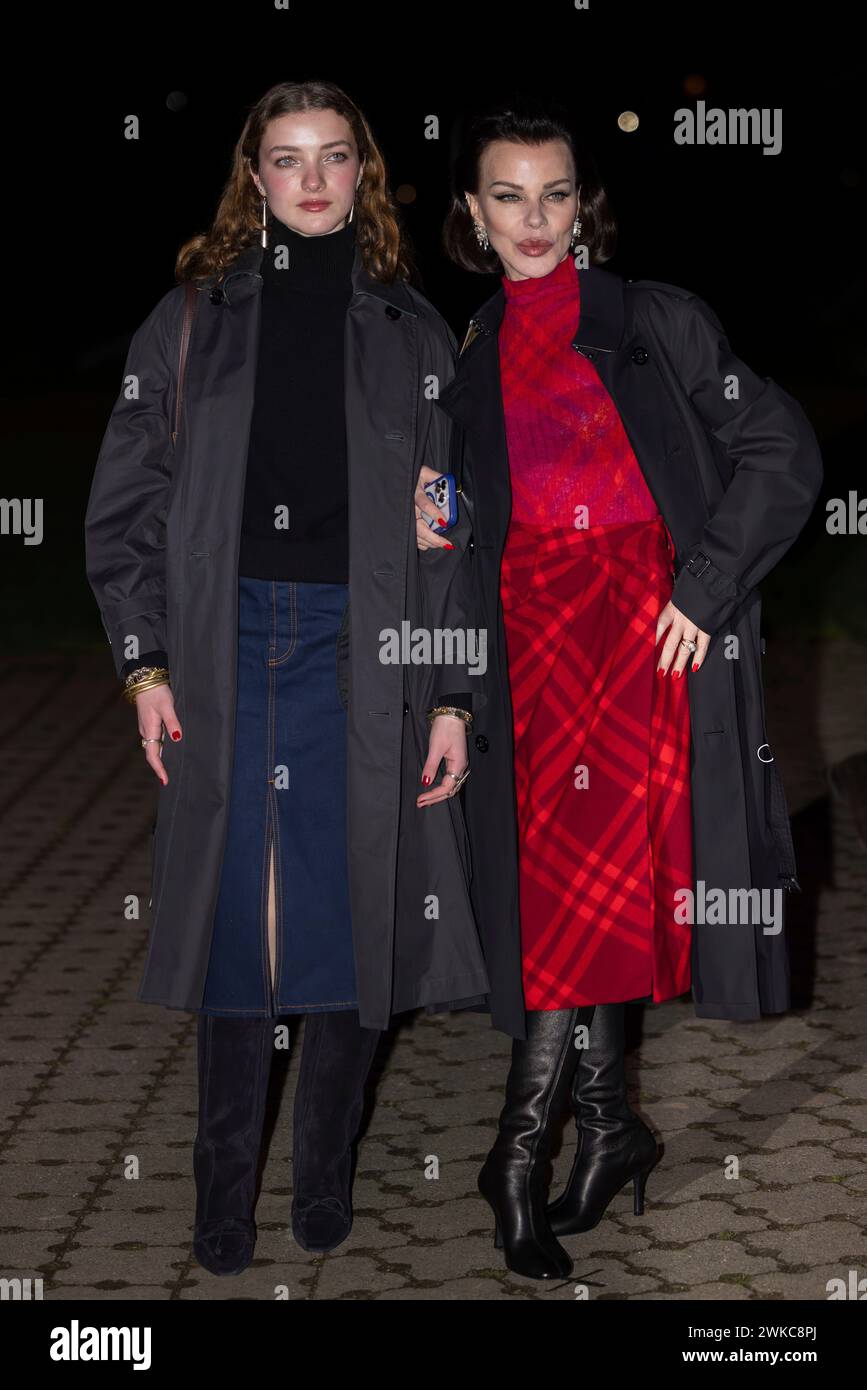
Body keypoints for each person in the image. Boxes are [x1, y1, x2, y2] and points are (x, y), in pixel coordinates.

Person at [84, 80, 496, 1277]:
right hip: (225, 646)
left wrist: (456, 694)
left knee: (352, 915)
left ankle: (323, 1171)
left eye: (332, 158)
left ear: (363, 172)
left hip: (361, 651)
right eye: (285, 159)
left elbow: (452, 539)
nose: (310, 180)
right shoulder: (190, 323)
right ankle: (222, 1190)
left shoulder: (416, 333)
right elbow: (124, 515)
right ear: (251, 177)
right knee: (232, 920)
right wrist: (145, 665)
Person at [423, 100, 823, 1279]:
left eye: (554, 194)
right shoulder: (471, 352)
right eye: (508, 196)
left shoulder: (656, 319)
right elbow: (447, 540)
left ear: (583, 205)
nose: (534, 219)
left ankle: (514, 1158)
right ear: (473, 217)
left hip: (644, 636)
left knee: (573, 902)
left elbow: (783, 451)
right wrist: (448, 675)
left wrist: (702, 589)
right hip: (525, 645)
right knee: (572, 905)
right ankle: (608, 1127)